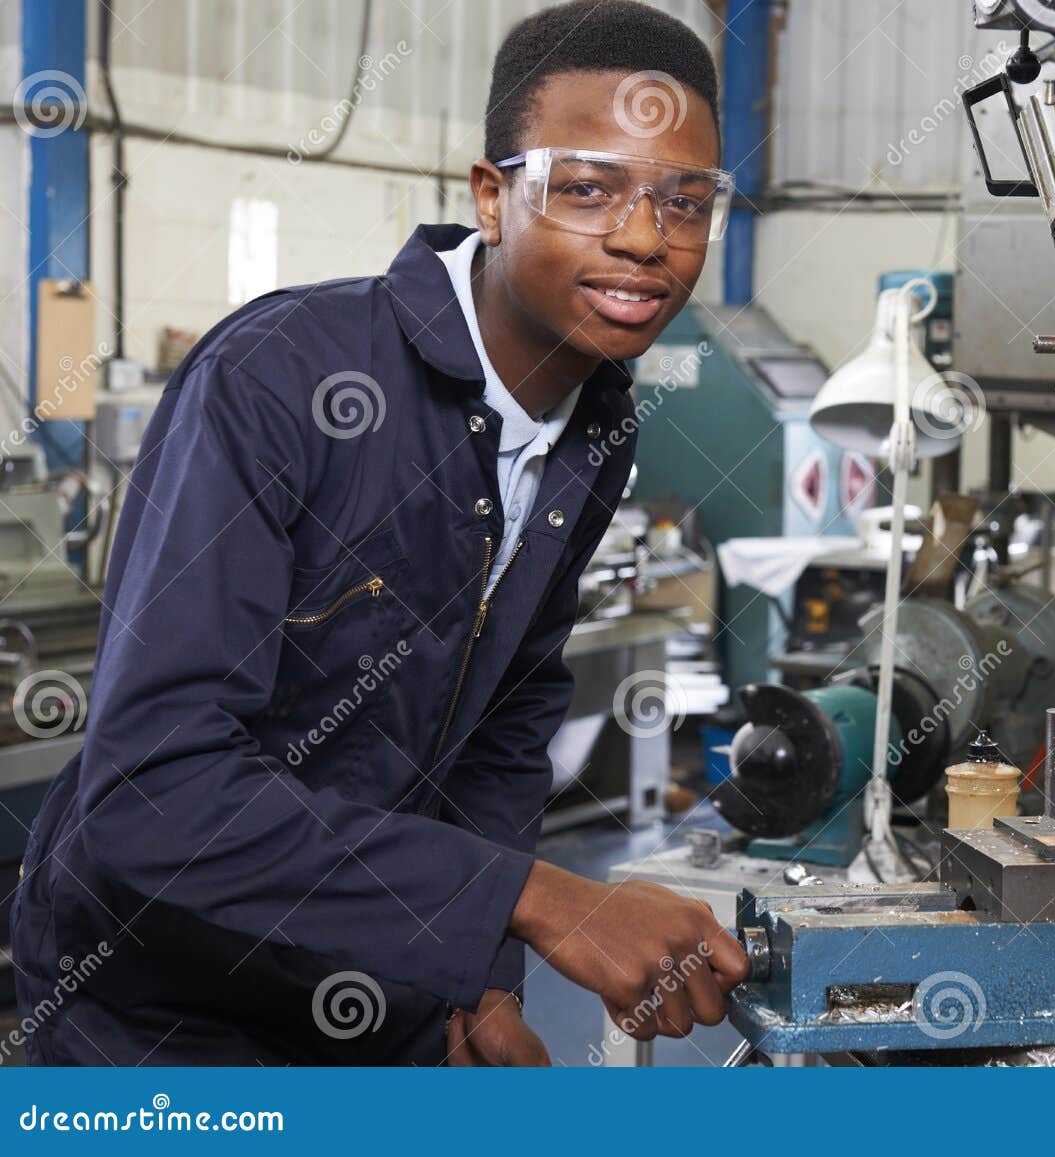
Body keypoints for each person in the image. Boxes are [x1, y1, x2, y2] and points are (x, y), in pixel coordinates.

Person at [11, 0, 748, 1065]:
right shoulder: (279, 380)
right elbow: (154, 796)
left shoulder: (598, 424)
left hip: (372, 979)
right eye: (586, 188)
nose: (643, 239)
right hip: (159, 1006)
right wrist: (541, 902)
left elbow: (506, 718)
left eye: (684, 202)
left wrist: (480, 978)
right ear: (492, 198)